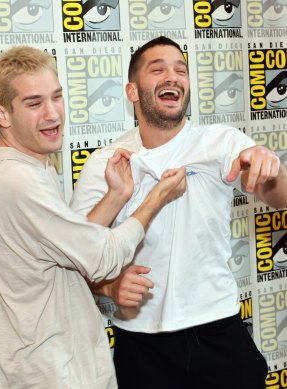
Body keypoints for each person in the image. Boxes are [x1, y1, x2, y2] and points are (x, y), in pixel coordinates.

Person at [70, 36, 287, 389]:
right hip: (141, 345)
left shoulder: (222, 143)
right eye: (158, 70)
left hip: (218, 332)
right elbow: (75, 255)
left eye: (180, 70)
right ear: (132, 92)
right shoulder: (106, 162)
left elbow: (281, 198)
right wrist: (108, 285)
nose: (172, 77)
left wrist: (271, 166)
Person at [0, 46, 187, 389]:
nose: (53, 114)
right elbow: (102, 259)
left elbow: (69, 248)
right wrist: (157, 197)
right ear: (2, 114)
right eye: (34, 103)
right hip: (52, 373)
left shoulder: (14, 162)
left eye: (57, 97)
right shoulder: (16, 182)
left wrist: (116, 196)